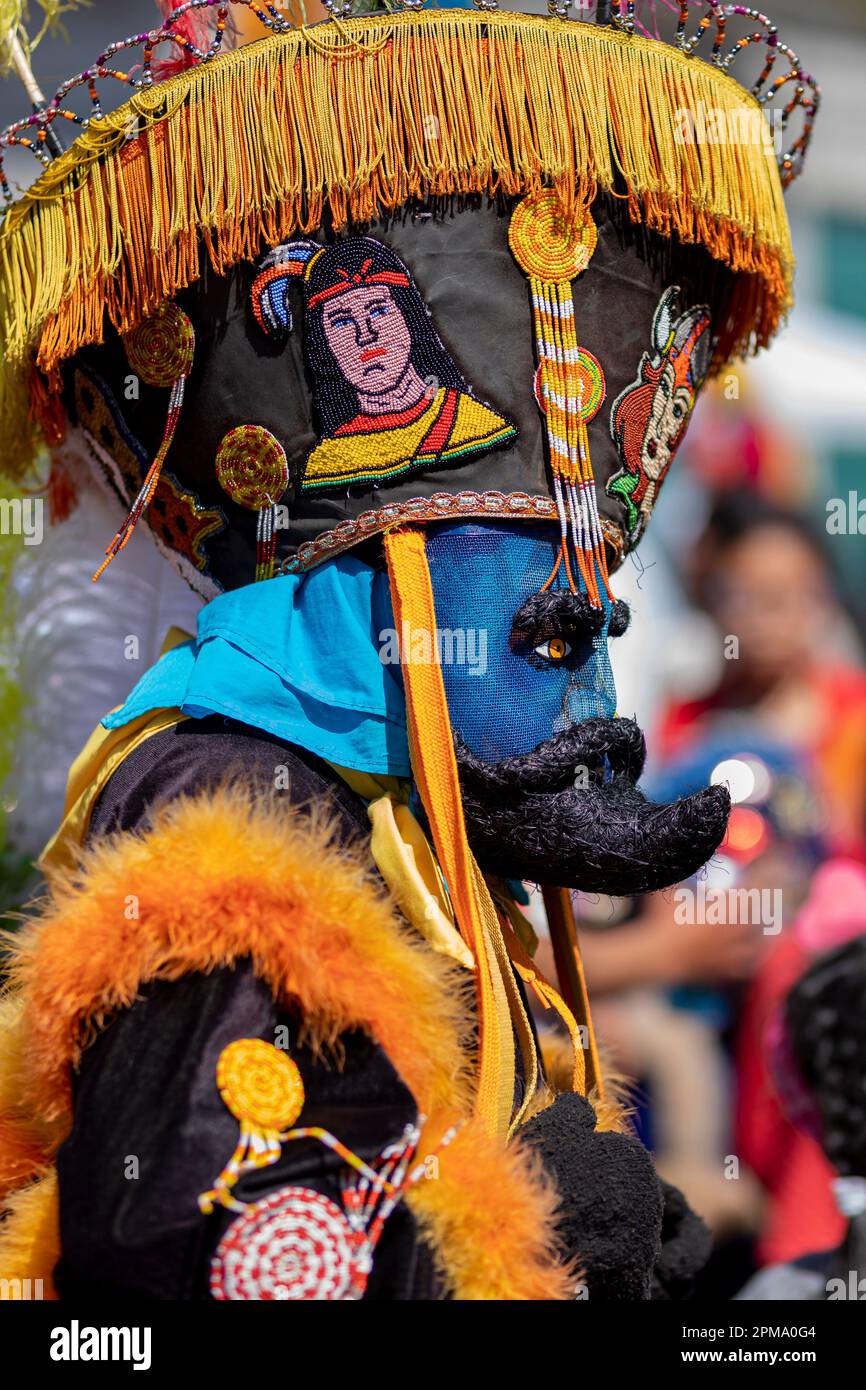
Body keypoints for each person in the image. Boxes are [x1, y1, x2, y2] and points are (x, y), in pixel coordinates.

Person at [0, 0, 814, 1301]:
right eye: (549, 627)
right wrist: (520, 1224)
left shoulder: (422, 814)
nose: (592, 684)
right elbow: (184, 1257)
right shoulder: (238, 815)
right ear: (399, 608)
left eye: (597, 627)